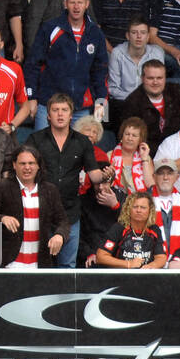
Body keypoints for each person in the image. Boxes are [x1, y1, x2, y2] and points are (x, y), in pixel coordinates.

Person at [27, 93, 110, 267]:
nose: (60, 114)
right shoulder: (35, 139)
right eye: (55, 110)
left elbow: (94, 175)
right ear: (48, 115)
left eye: (64, 110)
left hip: (70, 212)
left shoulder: (82, 142)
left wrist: (106, 175)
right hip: (39, 211)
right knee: (37, 265)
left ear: (71, 115)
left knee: (67, 266)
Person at [26, 0, 108, 130]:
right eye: (72, 2)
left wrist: (101, 105)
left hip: (81, 107)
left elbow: (100, 73)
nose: (76, 7)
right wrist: (31, 97)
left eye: (80, 3)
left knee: (79, 151)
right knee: (42, 150)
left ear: (87, 4)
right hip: (49, 105)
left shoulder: (95, 33)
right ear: (65, 3)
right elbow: (33, 64)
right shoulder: (50, 28)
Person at [0, 145, 69, 268]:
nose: (27, 167)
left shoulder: (50, 190)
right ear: (14, 165)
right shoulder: (1, 186)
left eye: (31, 163)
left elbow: (63, 221)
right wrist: (2, 218)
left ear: (38, 165)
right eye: (22, 163)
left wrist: (60, 235)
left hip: (39, 265)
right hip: (8, 264)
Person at [117, 61, 180, 152]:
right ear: (142, 78)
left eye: (159, 78)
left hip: (178, 148)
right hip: (149, 154)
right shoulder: (132, 103)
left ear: (165, 79)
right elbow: (132, 140)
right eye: (150, 78)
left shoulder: (176, 92)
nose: (155, 82)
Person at [94, 192, 168, 268]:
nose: (138, 210)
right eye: (135, 207)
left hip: (145, 276)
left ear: (150, 211)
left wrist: (151, 266)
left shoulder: (154, 229)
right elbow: (101, 256)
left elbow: (161, 257)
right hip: (121, 276)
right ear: (128, 209)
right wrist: (128, 264)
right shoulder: (119, 228)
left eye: (143, 207)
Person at [107, 17, 166, 111]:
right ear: (127, 36)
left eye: (143, 33)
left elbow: (159, 84)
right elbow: (113, 89)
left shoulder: (157, 53)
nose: (139, 36)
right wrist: (136, 99)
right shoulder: (117, 53)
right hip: (123, 103)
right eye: (134, 33)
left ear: (148, 37)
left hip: (149, 105)